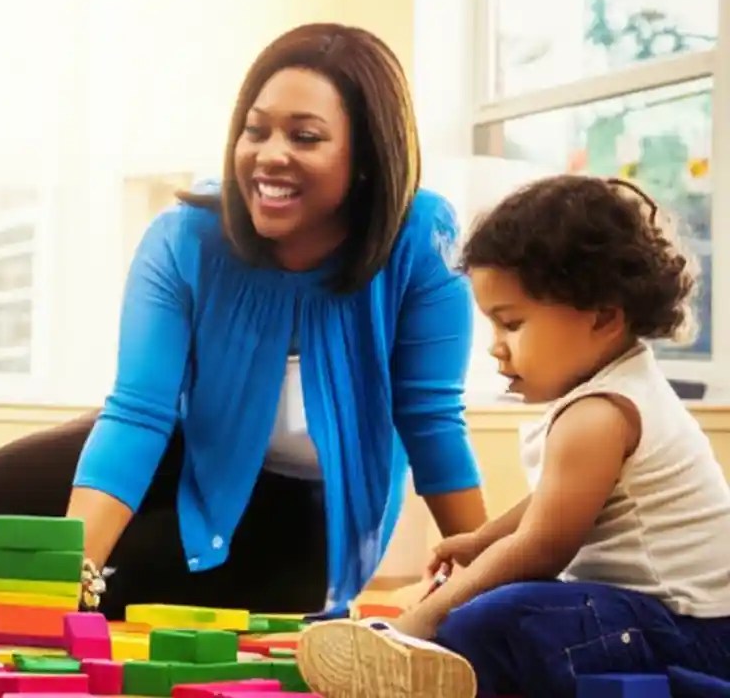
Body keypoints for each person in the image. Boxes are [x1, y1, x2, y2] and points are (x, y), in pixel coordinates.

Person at [0, 22, 489, 621]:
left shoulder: (422, 241)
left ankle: (56, 587)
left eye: (305, 137)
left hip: (306, 506)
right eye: (256, 129)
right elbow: (139, 414)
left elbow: (430, 422)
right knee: (2, 491)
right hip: (197, 448)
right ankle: (71, 584)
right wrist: (70, 568)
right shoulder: (185, 238)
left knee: (219, 580)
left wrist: (489, 582)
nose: (270, 155)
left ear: (366, 159)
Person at [296, 175, 730, 698]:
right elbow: (553, 503)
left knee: (500, 616)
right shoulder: (618, 391)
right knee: (500, 608)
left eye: (512, 325)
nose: (496, 348)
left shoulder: (599, 414)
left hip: (691, 637)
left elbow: (543, 546)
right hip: (657, 622)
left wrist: (424, 618)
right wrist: (482, 542)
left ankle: (426, 661)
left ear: (604, 318)